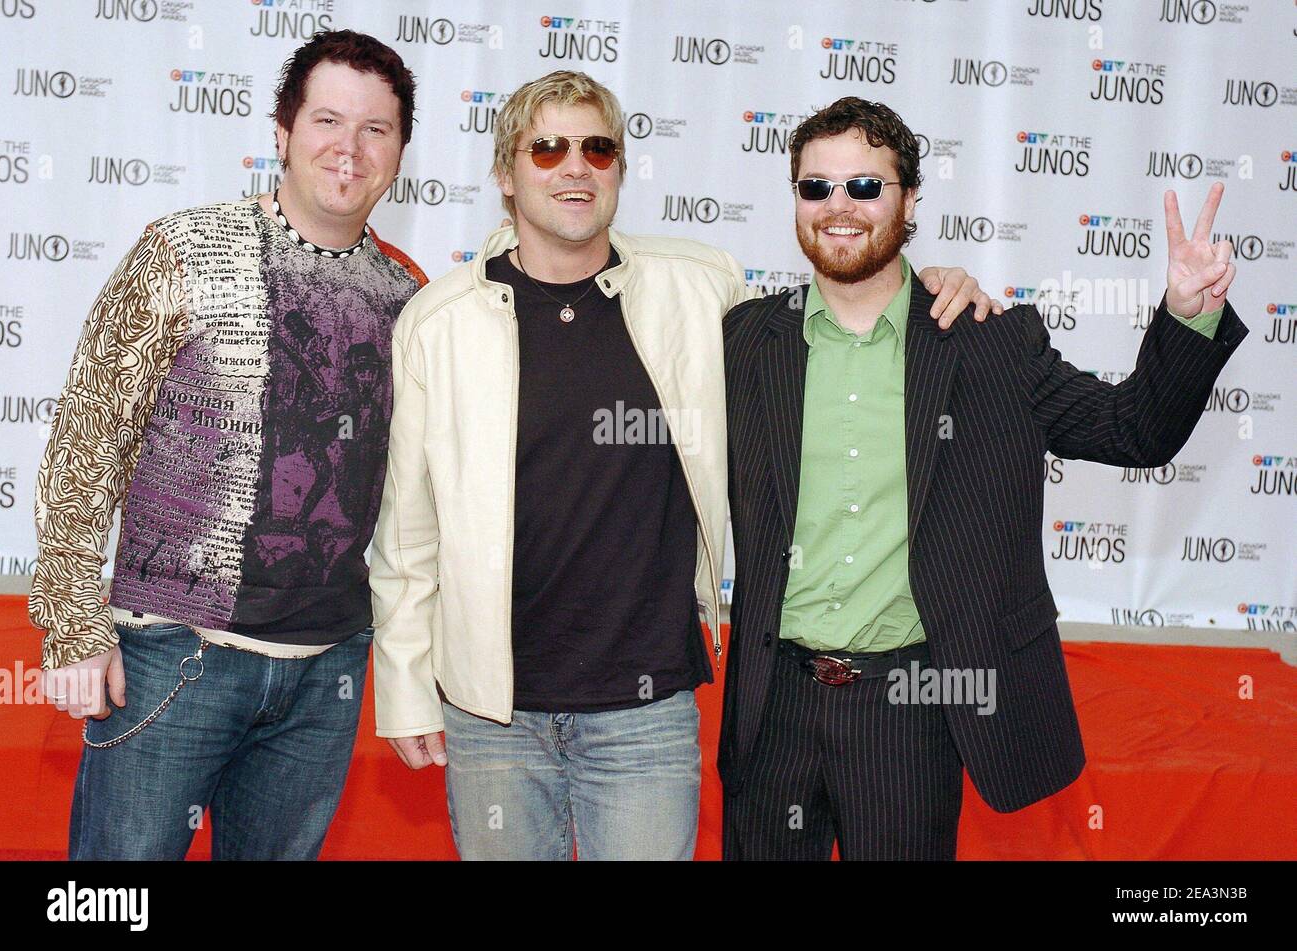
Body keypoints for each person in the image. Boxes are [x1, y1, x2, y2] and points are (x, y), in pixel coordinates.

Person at [370, 71, 997, 860]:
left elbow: (838, 308)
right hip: (490, 712)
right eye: (549, 147)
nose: (575, 167)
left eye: (598, 148)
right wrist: (400, 690)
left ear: (622, 170)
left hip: (646, 709)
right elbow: (407, 532)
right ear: (506, 173)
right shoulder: (441, 320)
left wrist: (929, 281)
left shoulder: (701, 289)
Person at [719, 97, 1247, 860]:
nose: (839, 207)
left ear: (908, 201)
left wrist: (1186, 312)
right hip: (771, 706)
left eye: (866, 187)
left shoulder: (991, 345)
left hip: (908, 709)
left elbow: (1136, 430)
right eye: (816, 187)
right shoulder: (746, 338)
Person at [32, 30, 426, 860]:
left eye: (375, 130)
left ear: (398, 154)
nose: (348, 149)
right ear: (281, 133)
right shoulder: (181, 250)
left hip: (328, 668)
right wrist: (72, 624)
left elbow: (419, 496)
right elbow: (87, 434)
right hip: (174, 652)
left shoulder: (412, 299)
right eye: (326, 120)